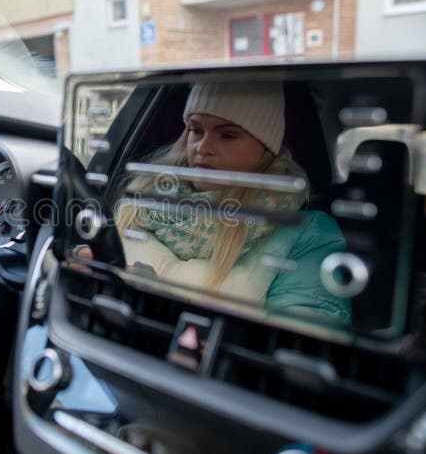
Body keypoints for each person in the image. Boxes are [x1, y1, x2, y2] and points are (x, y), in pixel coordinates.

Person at [99, 82, 352, 325]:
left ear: (267, 148)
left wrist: (161, 310)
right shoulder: (139, 201)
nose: (203, 148)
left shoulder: (308, 233)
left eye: (227, 135)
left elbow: (305, 339)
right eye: (196, 130)